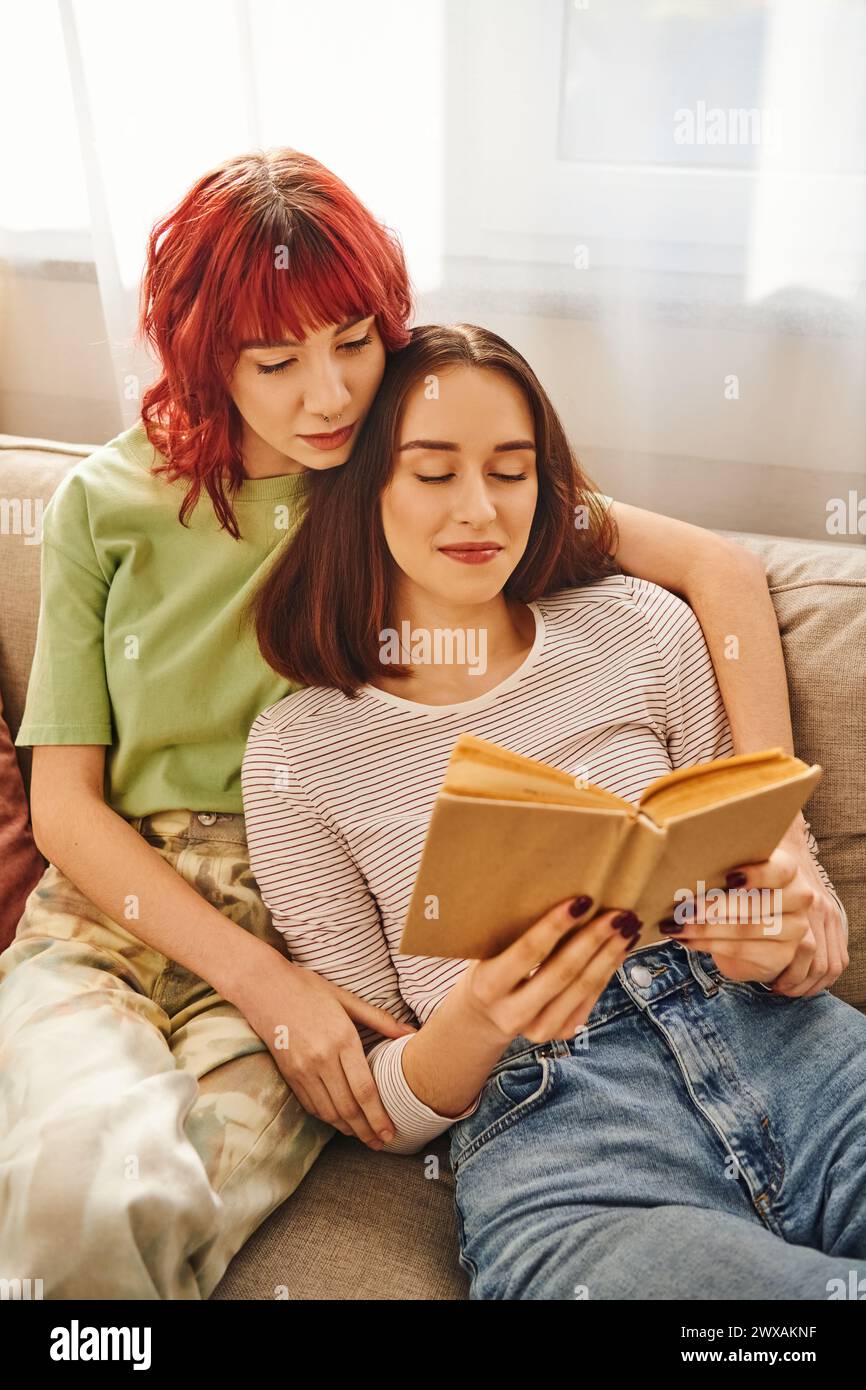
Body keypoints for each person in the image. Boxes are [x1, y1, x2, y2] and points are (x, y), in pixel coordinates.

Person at [0, 146, 844, 1300]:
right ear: (208, 356)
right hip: (130, 899)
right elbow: (64, 805)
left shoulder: (422, 463)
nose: (329, 393)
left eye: (353, 341)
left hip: (350, 917)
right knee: (77, 1200)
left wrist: (780, 844)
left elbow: (709, 567)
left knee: (154, 1201)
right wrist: (271, 983)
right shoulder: (119, 508)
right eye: (275, 359)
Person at [240, 322, 864, 1300]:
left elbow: (744, 874)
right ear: (364, 489)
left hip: (791, 1055)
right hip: (561, 1142)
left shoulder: (639, 626)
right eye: (433, 472)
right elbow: (378, 1100)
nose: (479, 508)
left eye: (511, 470)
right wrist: (480, 1015)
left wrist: (775, 939)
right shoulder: (300, 751)